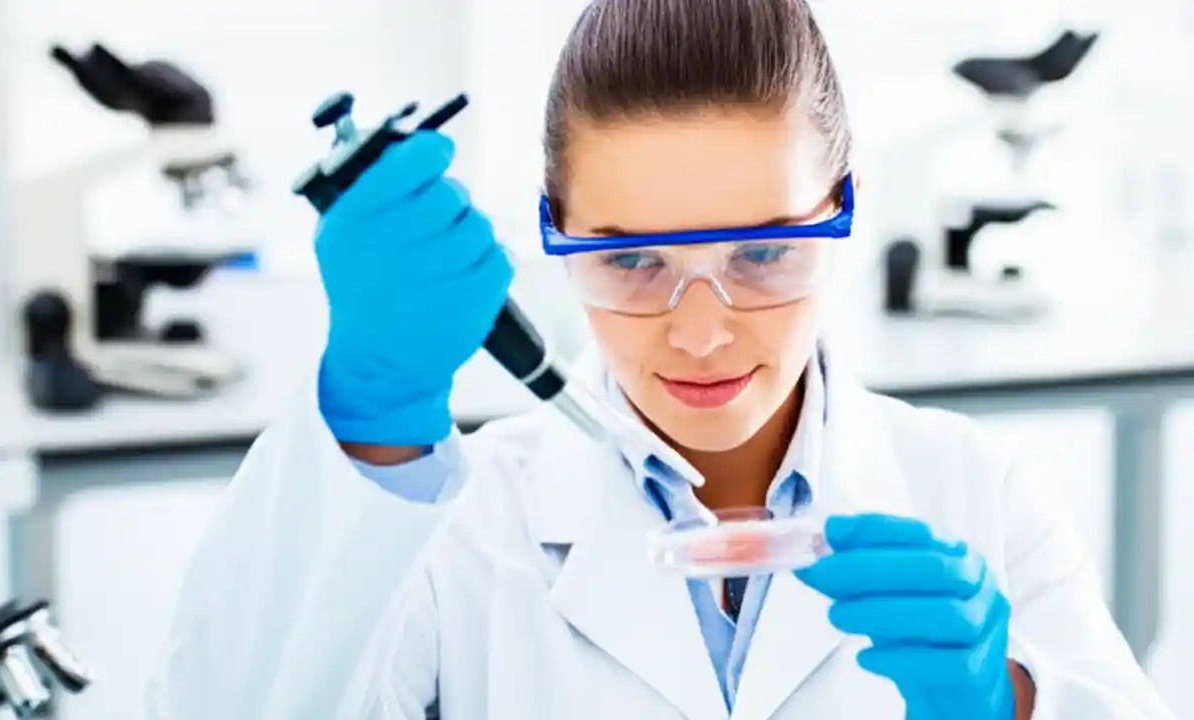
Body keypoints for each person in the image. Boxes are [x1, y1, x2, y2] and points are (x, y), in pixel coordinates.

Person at [148, 1, 1173, 718]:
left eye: (763, 252)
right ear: (552, 234)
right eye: (630, 259)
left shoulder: (973, 492)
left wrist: (1014, 706)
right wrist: (370, 413)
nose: (698, 332)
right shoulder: (456, 531)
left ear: (843, 213)